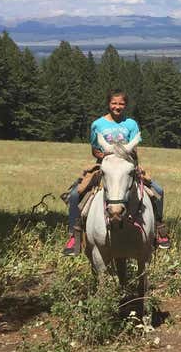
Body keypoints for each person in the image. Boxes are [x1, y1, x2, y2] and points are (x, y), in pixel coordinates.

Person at [63, 89, 170, 256]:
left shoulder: (131, 124)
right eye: (114, 103)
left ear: (125, 105)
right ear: (108, 104)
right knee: (76, 194)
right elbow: (94, 150)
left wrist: (125, 157)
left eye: (121, 103)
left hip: (126, 165)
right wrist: (106, 155)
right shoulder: (98, 124)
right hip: (105, 166)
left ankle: (158, 230)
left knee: (158, 191)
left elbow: (134, 150)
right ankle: (74, 235)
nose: (117, 106)